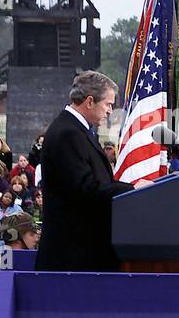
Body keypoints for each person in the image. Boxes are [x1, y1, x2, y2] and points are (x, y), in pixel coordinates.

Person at [35, 71, 146, 272]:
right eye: (108, 104)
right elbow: (85, 189)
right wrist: (133, 188)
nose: (111, 110)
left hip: (84, 251)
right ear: (89, 102)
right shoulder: (68, 133)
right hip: (72, 255)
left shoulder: (79, 131)